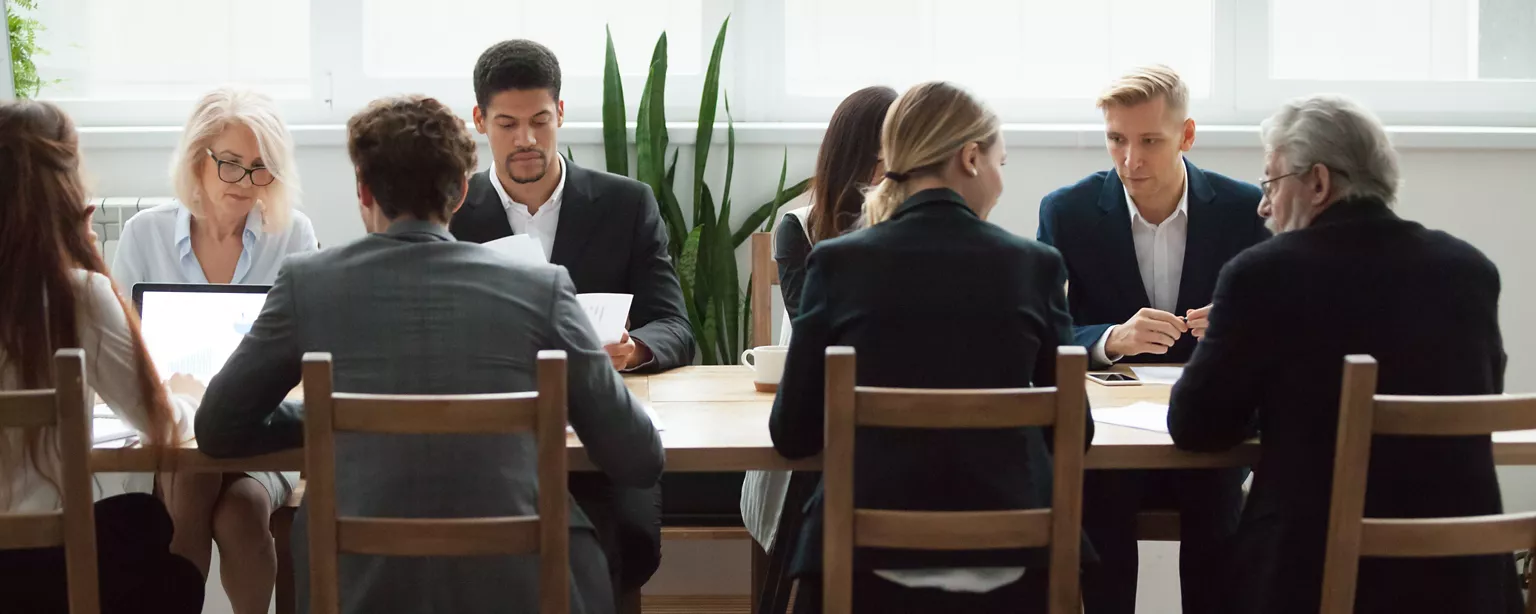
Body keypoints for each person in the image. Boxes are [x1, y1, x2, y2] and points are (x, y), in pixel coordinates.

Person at [192, 94, 665, 614]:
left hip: (356, 584)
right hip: (519, 586)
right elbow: (638, 456)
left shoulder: (308, 283)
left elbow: (218, 427)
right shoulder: (543, 288)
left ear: (363, 191)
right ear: (461, 191)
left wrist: (328, 417)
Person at [1169, 94, 1523, 614]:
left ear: (1317, 182)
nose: (1263, 206)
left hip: (1311, 579)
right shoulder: (1470, 270)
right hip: (1466, 579)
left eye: (1271, 183)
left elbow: (1196, 425)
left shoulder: (1263, 274)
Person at [769, 81, 1092, 613]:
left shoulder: (838, 263)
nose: (999, 181)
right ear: (970, 158)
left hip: (863, 563)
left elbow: (792, 432)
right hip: (1014, 562)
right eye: (1000, 164)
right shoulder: (1034, 266)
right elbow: (1074, 433)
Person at [448, 39, 689, 601]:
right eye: (507, 123)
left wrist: (634, 349)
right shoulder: (452, 214)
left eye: (538, 120)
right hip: (491, 439)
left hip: (601, 436)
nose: (526, 139)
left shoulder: (628, 204)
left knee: (626, 540)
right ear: (480, 121)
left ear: (560, 112)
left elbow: (674, 325)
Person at [1036, 65, 1264, 614]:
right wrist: (1111, 338)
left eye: (1149, 141)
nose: (1129, 161)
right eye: (1116, 139)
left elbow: (1280, 328)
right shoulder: (1066, 211)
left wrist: (1236, 327)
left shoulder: (1245, 210)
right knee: (1100, 517)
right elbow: (1044, 331)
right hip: (1110, 435)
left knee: (1219, 524)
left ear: (1186, 136)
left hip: (1207, 432)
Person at [110, 86, 317, 614]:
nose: (246, 183)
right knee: (194, 483)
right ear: (197, 160)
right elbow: (123, 351)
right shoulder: (144, 233)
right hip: (175, 432)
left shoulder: (292, 233)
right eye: (230, 164)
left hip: (260, 435)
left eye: (260, 168)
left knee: (244, 507)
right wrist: (164, 388)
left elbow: (307, 352)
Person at [0, 99, 204, 613]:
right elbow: (160, 423)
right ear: (64, 186)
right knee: (163, 554)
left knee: (140, 519)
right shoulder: (76, 295)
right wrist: (187, 398)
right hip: (41, 569)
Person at [742, 84, 897, 614]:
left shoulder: (918, 231)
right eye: (877, 163)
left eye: (896, 161)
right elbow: (825, 338)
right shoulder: (801, 229)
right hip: (819, 417)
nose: (885, 177)